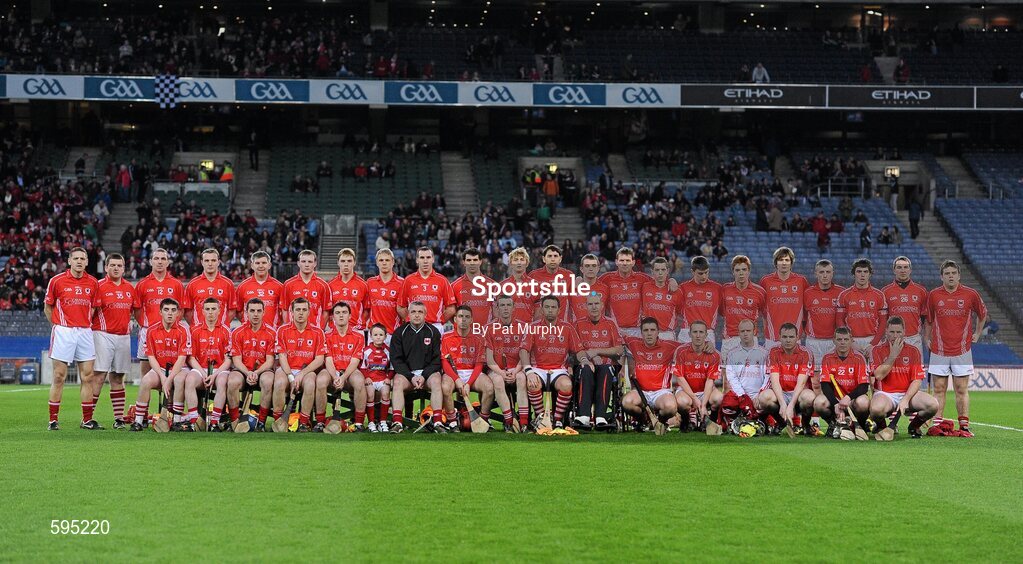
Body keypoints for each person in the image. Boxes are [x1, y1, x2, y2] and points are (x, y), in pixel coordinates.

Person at [925, 260, 987, 436]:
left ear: (959, 275)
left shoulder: (970, 294)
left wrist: (978, 333)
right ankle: (936, 424)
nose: (950, 276)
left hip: (962, 350)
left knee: (961, 388)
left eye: (953, 273)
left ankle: (964, 425)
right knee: (939, 388)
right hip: (938, 350)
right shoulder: (934, 295)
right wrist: (926, 337)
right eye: (947, 273)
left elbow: (982, 314)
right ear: (941, 276)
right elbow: (928, 319)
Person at [44, 247, 101, 430]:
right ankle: (53, 420)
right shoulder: (57, 281)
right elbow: (48, 307)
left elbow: (93, 308)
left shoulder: (93, 283)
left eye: (82, 258)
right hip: (63, 331)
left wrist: (83, 322)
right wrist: (57, 325)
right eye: (75, 258)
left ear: (86, 262)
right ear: (69, 261)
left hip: (84, 331)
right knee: (59, 376)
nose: (79, 261)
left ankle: (86, 420)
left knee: (88, 376)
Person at [519, 295, 589, 430]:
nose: (550, 310)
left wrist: (585, 360)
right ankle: (541, 418)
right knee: (532, 384)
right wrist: (528, 371)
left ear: (559, 310)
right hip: (538, 368)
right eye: (547, 307)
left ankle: (557, 419)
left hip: (559, 369)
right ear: (541, 309)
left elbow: (578, 350)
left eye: (553, 307)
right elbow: (523, 350)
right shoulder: (533, 327)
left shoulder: (567, 327)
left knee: (566, 385)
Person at [443, 305, 511, 431]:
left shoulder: (479, 338)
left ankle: (483, 420)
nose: (463, 319)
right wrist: (457, 379)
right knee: (445, 387)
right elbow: (445, 363)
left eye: (467, 317)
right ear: (455, 319)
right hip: (453, 372)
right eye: (460, 316)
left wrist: (468, 383)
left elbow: (479, 364)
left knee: (489, 388)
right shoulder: (446, 337)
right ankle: (452, 422)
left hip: (472, 372)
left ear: (472, 320)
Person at [869, 317, 938, 439]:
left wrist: (905, 399)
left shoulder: (914, 351)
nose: (895, 335)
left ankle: (913, 426)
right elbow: (879, 375)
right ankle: (882, 427)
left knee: (933, 405)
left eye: (898, 332)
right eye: (892, 332)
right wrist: (893, 355)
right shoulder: (876, 350)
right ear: (886, 331)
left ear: (904, 332)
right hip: (885, 394)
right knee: (875, 410)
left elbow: (916, 380)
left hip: (908, 394)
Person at [129, 299, 191, 431]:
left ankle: (177, 421)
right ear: (160, 312)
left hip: (179, 369)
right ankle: (139, 421)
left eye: (173, 310)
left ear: (178, 313)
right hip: (160, 369)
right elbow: (151, 357)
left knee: (179, 380)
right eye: (166, 310)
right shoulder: (151, 330)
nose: (170, 313)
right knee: (146, 380)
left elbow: (182, 359)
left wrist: (169, 379)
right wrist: (163, 378)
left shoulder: (183, 331)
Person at [91, 253, 134, 429]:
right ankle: (88, 417)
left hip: (123, 336)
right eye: (113, 265)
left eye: (119, 265)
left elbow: (134, 311)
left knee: (118, 377)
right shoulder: (98, 286)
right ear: (106, 267)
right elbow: (91, 312)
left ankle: (118, 419)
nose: (116, 268)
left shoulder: (130, 288)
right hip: (102, 334)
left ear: (124, 268)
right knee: (99, 376)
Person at [389, 301, 444, 433]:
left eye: (420, 312)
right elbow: (396, 361)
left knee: (437, 380)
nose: (417, 315)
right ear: (408, 314)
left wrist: (424, 376)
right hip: (408, 375)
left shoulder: (433, 332)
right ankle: (397, 422)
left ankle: (437, 422)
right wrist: (411, 377)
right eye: (413, 312)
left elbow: (437, 360)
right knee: (397, 382)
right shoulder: (399, 332)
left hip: (427, 374)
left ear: (425, 314)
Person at [273, 298, 327, 432]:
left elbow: (319, 359)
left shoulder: (318, 332)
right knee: (279, 382)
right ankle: (279, 421)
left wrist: (302, 374)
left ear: (309, 312)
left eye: (304, 310)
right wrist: (291, 377)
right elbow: (282, 357)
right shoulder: (282, 330)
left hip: (307, 370)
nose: (301, 313)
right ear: (291, 312)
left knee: (310, 384)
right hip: (287, 370)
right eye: (297, 309)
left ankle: (303, 422)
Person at [573, 292, 624, 430]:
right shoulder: (578, 324)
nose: (594, 307)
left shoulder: (610, 323)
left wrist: (597, 351)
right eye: (590, 304)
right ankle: (584, 416)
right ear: (585, 306)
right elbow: (574, 349)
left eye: (596, 304)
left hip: (606, 365)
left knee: (606, 368)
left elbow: (619, 349)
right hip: (586, 365)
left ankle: (600, 416)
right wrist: (588, 358)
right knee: (585, 368)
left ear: (602, 305)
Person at [133, 248, 185, 379]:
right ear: (151, 262)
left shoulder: (176, 284)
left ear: (168, 262)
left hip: (171, 332)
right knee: (145, 373)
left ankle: (172, 400)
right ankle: (144, 400)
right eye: (156, 258)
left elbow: (181, 309)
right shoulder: (142, 284)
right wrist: (146, 326)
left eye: (163, 259)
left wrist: (172, 326)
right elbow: (137, 310)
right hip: (148, 332)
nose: (160, 262)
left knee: (172, 372)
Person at [622, 318, 680, 434]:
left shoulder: (669, 346)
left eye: (652, 330)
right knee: (626, 403)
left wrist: (707, 344)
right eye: (646, 330)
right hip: (640, 391)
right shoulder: (633, 343)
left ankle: (661, 422)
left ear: (658, 332)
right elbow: (616, 336)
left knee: (671, 408)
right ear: (641, 332)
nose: (649, 333)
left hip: (661, 392)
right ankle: (643, 420)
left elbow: (690, 346)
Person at [229, 298, 277, 432]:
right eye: (252, 311)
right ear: (246, 313)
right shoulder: (237, 332)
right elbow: (236, 360)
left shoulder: (271, 333)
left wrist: (256, 372)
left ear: (263, 312)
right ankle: (234, 421)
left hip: (262, 371)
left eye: (258, 311)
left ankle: (261, 422)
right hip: (243, 371)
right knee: (232, 381)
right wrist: (248, 373)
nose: (255, 314)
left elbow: (270, 361)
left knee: (268, 381)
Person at [485, 295, 531, 431]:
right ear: (497, 309)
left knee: (522, 378)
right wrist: (502, 373)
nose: (505, 308)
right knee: (498, 381)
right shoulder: (489, 328)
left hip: (516, 369)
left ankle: (523, 423)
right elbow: (489, 360)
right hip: (496, 369)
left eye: (508, 305)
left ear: (513, 308)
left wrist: (515, 371)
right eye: (502, 305)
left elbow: (524, 355)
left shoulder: (523, 327)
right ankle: (509, 422)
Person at [320, 301, 368, 431]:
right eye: (337, 313)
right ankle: (320, 421)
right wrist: (335, 376)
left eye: (344, 312)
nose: (341, 316)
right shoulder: (326, 335)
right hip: (332, 371)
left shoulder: (359, 335)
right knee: (320, 380)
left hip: (350, 371)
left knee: (359, 381)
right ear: (333, 317)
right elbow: (328, 360)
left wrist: (343, 377)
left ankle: (358, 422)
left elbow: (355, 361)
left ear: (350, 316)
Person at [814, 327, 871, 437]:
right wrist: (835, 404)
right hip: (835, 399)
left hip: (852, 399)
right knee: (819, 402)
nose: (843, 342)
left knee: (864, 402)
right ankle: (833, 424)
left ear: (851, 340)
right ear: (834, 341)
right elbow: (825, 385)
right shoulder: (827, 358)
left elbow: (864, 386)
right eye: (839, 339)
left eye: (846, 339)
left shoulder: (859, 358)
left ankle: (860, 425)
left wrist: (848, 398)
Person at [185, 298, 232, 431]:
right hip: (201, 369)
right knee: (189, 380)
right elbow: (191, 358)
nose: (210, 312)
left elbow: (228, 359)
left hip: (220, 369)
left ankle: (214, 423)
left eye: (213, 309)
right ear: (202, 311)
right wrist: (204, 373)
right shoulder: (194, 330)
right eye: (207, 309)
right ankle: (195, 421)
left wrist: (214, 375)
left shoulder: (226, 331)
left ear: (219, 311)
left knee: (223, 381)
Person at [718, 319, 770, 430]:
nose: (745, 333)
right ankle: (736, 420)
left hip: (758, 395)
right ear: (738, 333)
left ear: (754, 332)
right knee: (727, 406)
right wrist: (742, 396)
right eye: (742, 331)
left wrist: (760, 393)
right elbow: (731, 378)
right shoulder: (732, 354)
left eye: (748, 330)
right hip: (739, 394)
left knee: (767, 404)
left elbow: (768, 376)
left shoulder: (764, 353)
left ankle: (763, 420)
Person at [764, 323, 816, 434]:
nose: (788, 340)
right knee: (764, 398)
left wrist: (791, 404)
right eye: (785, 337)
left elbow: (801, 383)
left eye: (791, 337)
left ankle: (806, 425)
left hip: (798, 393)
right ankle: (781, 424)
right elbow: (774, 381)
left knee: (810, 397)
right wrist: (783, 404)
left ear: (797, 337)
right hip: (781, 392)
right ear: (779, 337)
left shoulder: (806, 353)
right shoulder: (773, 352)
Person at [671, 320, 722, 431]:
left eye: (701, 332)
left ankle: (708, 421)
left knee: (718, 398)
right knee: (681, 402)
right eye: (695, 332)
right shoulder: (681, 351)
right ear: (689, 334)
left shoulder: (715, 355)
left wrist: (703, 405)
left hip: (705, 391)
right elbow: (680, 378)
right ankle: (686, 421)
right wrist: (694, 398)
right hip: (686, 391)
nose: (698, 335)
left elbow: (710, 380)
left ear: (706, 335)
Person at [599, 247, 655, 338]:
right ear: (616, 262)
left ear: (633, 262)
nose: (624, 263)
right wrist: (579, 279)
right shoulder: (607, 278)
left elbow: (659, 282)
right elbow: (592, 285)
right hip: (614, 329)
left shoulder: (642, 278)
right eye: (621, 260)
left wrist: (671, 280)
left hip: (636, 330)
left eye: (627, 260)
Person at [759, 247, 809, 351]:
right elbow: (761, 308)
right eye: (781, 260)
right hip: (772, 338)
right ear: (775, 262)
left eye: (787, 260)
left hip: (795, 337)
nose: (784, 263)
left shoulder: (801, 281)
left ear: (791, 263)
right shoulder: (765, 281)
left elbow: (807, 307)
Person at [397, 247, 456, 332]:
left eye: (428, 257)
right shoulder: (408, 280)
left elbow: (451, 308)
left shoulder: (442, 280)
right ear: (417, 260)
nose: (425, 261)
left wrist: (440, 320)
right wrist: (409, 319)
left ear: (433, 259)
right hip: (414, 326)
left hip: (435, 326)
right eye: (422, 258)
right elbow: (400, 307)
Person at [837, 258, 887, 357]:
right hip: (851, 340)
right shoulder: (844, 295)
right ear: (853, 274)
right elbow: (839, 321)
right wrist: (850, 341)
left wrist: (873, 344)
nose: (862, 275)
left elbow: (883, 323)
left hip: (873, 340)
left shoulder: (879, 295)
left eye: (865, 271)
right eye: (859, 271)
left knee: (874, 372)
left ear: (870, 274)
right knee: (852, 372)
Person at [719, 255, 767, 358]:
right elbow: (722, 312)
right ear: (733, 272)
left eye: (744, 269)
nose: (741, 273)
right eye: (737, 270)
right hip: (729, 339)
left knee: (751, 373)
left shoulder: (760, 292)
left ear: (749, 271)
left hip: (751, 340)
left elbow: (765, 314)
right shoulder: (725, 290)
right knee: (726, 373)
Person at [881, 256, 928, 357]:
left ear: (910, 270)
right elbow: (882, 319)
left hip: (914, 339)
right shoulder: (885, 291)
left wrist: (926, 337)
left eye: (905, 267)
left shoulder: (921, 291)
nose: (903, 270)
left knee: (916, 371)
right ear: (894, 270)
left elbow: (926, 318)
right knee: (893, 370)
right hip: (893, 339)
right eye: (899, 267)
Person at [182, 248, 236, 327]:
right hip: (198, 335)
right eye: (207, 261)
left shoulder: (228, 284)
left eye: (213, 260)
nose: (210, 264)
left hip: (221, 334)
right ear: (202, 262)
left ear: (218, 262)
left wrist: (221, 326)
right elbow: (187, 312)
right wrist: (197, 328)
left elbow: (232, 311)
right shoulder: (192, 284)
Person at [281, 250, 332, 328]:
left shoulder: (323, 285)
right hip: (293, 332)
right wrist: (289, 328)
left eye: (310, 262)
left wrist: (319, 330)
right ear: (298, 263)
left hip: (315, 332)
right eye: (303, 261)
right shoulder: (288, 284)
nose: (307, 265)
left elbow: (326, 311)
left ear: (315, 263)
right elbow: (285, 309)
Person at [677, 256, 721, 345]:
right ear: (692, 272)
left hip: (707, 333)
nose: (704, 276)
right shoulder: (683, 288)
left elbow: (723, 311)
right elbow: (677, 309)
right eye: (700, 273)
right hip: (687, 332)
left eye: (706, 272)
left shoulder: (718, 288)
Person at [234, 251, 283, 329]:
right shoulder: (243, 286)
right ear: (252, 266)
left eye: (264, 263)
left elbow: (284, 312)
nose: (261, 266)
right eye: (257, 263)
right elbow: (237, 311)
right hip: (249, 334)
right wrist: (246, 322)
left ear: (269, 265)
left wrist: (276, 326)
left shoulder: (279, 287)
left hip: (272, 334)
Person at [528, 245, 575, 323]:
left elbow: (573, 303)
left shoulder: (569, 275)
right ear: (544, 259)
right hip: (540, 325)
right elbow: (528, 302)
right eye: (549, 256)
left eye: (555, 256)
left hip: (562, 325)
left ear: (560, 259)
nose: (553, 259)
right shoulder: (533, 276)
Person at [640, 257, 682, 341]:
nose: (660, 273)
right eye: (657, 270)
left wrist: (672, 279)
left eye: (663, 270)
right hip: (648, 333)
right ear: (652, 272)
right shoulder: (644, 287)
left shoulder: (676, 291)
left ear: (667, 271)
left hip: (667, 334)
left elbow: (678, 310)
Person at [451, 248, 495, 328]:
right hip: (463, 335)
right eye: (469, 260)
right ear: (463, 262)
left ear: (480, 261)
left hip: (485, 335)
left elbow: (498, 311)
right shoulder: (454, 286)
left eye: (475, 260)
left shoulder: (492, 285)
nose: (472, 263)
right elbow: (450, 311)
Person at [328, 248, 369, 332]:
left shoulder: (363, 285)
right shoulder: (330, 285)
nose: (346, 264)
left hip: (357, 330)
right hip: (335, 330)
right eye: (343, 261)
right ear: (338, 263)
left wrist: (359, 325)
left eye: (349, 261)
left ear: (354, 263)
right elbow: (328, 310)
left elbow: (367, 310)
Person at [362, 324, 394, 432]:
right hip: (370, 379)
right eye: (375, 335)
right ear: (371, 336)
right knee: (370, 394)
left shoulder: (388, 351)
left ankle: (383, 422)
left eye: (381, 334)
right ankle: (371, 422)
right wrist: (366, 377)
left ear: (385, 336)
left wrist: (388, 378)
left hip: (382, 379)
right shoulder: (366, 351)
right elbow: (362, 367)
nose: (378, 337)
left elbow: (392, 368)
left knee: (385, 393)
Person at [366, 248, 404, 337]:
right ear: (376, 263)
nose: (384, 263)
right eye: (381, 260)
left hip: (394, 334)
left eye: (387, 260)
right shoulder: (370, 283)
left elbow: (405, 310)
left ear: (393, 262)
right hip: (374, 335)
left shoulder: (402, 283)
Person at [567, 253, 609, 323]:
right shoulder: (572, 287)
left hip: (599, 330)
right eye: (587, 266)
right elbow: (566, 310)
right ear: (581, 269)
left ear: (598, 268)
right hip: (577, 330)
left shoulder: (605, 288)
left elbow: (608, 312)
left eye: (594, 266)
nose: (590, 269)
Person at [502, 247, 538, 324]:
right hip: (508, 331)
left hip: (528, 330)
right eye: (515, 260)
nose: (519, 263)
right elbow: (497, 311)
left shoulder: (536, 285)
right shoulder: (502, 286)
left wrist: (532, 329)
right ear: (510, 263)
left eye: (522, 260)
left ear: (527, 263)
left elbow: (539, 312)